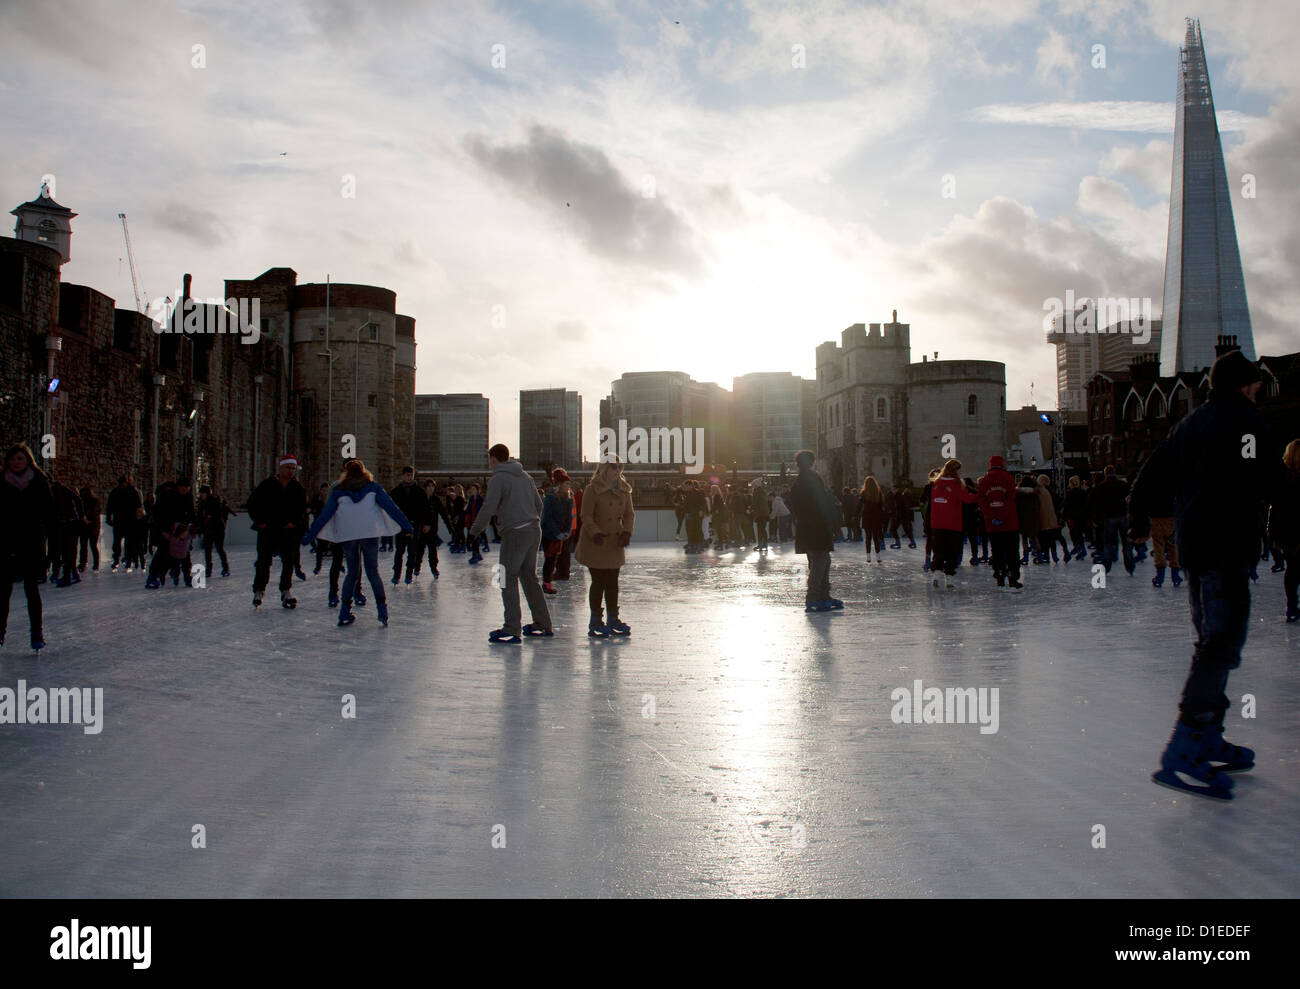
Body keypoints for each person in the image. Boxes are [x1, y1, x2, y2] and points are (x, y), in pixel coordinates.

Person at [1132, 350, 1284, 799]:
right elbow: (1271, 480)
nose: (1259, 389)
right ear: (1244, 384)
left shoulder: (1191, 423)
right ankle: (1186, 748)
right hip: (1227, 545)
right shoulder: (1245, 421)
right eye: (1255, 382)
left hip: (1196, 548)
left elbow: (1151, 472)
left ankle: (1208, 736)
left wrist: (1140, 519)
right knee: (1220, 645)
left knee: (1211, 642)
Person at [303, 458, 412, 627]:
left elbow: (325, 514)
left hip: (349, 535)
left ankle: (344, 612)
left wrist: (311, 535)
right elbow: (391, 508)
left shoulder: (339, 490)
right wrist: (407, 526)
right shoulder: (373, 487)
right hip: (369, 533)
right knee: (372, 572)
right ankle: (382, 610)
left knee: (352, 573)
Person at [466, 444, 552, 643]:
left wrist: (474, 531)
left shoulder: (498, 477)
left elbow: (489, 507)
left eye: (490, 460)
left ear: (494, 459)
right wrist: (530, 520)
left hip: (515, 532)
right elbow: (539, 504)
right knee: (529, 577)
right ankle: (543, 623)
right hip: (533, 530)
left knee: (506, 577)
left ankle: (512, 627)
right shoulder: (526, 476)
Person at [0, 444, 54, 651]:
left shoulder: (39, 483)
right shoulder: (1, 482)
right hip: (6, 544)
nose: (16, 462)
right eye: (13, 458)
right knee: (3, 591)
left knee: (32, 590)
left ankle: (36, 632)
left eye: (20, 458)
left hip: (31, 544)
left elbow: (50, 517)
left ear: (28, 461)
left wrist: (53, 552)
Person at [575, 459, 635, 636]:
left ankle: (613, 618)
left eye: (619, 467)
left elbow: (629, 515)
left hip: (614, 541)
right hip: (596, 541)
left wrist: (627, 532)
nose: (617, 470)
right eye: (613, 467)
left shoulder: (625, 489)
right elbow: (586, 515)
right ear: (603, 469)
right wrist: (595, 532)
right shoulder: (592, 489)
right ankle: (595, 621)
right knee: (599, 581)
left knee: (613, 582)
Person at [247, 454, 309, 609]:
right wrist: (260, 521)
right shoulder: (267, 485)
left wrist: (294, 523)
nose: (290, 471)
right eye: (288, 468)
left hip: (287, 531)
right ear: (281, 467)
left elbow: (302, 509)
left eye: (293, 468)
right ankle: (259, 589)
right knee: (263, 561)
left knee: (288, 561)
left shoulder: (297, 488)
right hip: (268, 529)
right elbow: (252, 503)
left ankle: (285, 590)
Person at [788, 449, 841, 612]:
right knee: (820, 563)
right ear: (811, 462)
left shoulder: (798, 481)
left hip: (806, 528)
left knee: (819, 561)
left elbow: (793, 504)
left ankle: (823, 596)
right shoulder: (813, 478)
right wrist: (834, 522)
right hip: (817, 527)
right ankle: (814, 598)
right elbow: (823, 502)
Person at [1129, 444, 1181, 588]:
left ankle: (1160, 575)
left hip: (1156, 518)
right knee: (1172, 546)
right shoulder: (1173, 482)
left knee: (1158, 546)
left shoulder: (1152, 482)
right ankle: (1175, 574)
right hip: (1171, 518)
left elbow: (1142, 498)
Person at [929, 460, 977, 588]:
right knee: (951, 551)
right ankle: (949, 577)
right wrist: (979, 496)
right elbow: (967, 498)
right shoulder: (956, 484)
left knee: (938, 550)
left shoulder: (936, 483)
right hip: (953, 523)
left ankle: (936, 574)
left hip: (937, 523)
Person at [1268, 439, 1300, 622]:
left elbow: (1275, 506)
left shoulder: (1282, 478)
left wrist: (1274, 533)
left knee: (1293, 569)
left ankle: (1292, 605)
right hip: (1292, 530)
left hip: (1287, 532)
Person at [978, 455, 1022, 589]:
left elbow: (982, 501)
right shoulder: (1008, 478)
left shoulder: (984, 480)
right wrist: (1003, 516)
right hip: (1010, 523)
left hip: (992, 525)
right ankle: (1013, 576)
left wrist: (991, 516)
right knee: (1012, 551)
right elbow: (1011, 499)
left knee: (997, 551)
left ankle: (999, 574)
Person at [389, 466, 432, 585]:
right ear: (402, 476)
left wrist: (427, 523)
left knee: (412, 551)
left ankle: (409, 574)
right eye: (407, 475)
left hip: (415, 524)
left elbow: (426, 509)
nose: (409, 477)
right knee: (399, 551)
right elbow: (391, 508)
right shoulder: (396, 492)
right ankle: (396, 574)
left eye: (411, 475)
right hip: (401, 526)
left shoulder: (419, 492)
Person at [541, 467, 575, 594]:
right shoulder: (550, 497)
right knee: (549, 559)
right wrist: (557, 533)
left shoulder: (569, 498)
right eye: (566, 483)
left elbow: (569, 517)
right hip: (549, 535)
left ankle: (548, 581)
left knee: (555, 559)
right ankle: (547, 583)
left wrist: (567, 531)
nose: (568, 486)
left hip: (561, 534)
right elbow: (547, 518)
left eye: (569, 484)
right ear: (559, 485)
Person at [49, 475, 83, 587]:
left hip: (69, 523)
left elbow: (77, 499)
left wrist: (80, 516)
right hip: (61, 523)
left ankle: (68, 576)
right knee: (64, 550)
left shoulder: (60, 489)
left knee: (68, 550)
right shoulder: (51, 491)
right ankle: (72, 574)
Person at [105, 475, 142, 571]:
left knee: (129, 543)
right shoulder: (115, 492)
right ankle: (116, 560)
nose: (122, 485)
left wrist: (138, 519)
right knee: (117, 542)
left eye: (124, 483)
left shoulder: (133, 492)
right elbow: (109, 506)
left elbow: (139, 506)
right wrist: (109, 518)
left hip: (130, 521)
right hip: (119, 520)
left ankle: (128, 561)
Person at [197, 485, 233, 578]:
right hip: (208, 530)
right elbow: (200, 516)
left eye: (202, 493)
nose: (201, 495)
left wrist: (209, 517)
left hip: (217, 529)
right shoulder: (202, 503)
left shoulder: (215, 501)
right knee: (208, 550)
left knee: (219, 548)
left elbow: (217, 514)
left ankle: (225, 568)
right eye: (200, 493)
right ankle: (209, 569)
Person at [1036, 475, 1069, 564]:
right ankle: (1059, 553)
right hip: (1054, 517)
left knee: (1046, 537)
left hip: (1047, 517)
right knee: (1056, 536)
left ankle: (1048, 555)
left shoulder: (1041, 492)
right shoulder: (1052, 491)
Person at [859, 476, 886, 563]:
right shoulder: (878, 492)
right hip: (876, 518)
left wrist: (855, 515)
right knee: (876, 537)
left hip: (867, 517)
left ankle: (868, 557)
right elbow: (882, 506)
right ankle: (878, 557)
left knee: (868, 537)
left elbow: (859, 505)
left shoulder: (863, 493)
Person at [1062, 475, 1089, 561]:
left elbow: (1066, 505)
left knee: (1073, 533)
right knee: (1079, 533)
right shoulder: (1083, 492)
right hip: (1082, 516)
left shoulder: (1070, 493)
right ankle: (1081, 549)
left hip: (1073, 516)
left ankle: (1078, 547)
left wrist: (1063, 516)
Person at [78, 485, 101, 573]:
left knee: (92, 546)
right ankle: (83, 563)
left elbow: (95, 512)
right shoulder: (83, 501)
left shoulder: (94, 501)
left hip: (92, 526)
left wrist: (87, 518)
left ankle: (95, 564)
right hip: (86, 526)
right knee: (84, 546)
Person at [751, 481, 770, 552]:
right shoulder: (763, 491)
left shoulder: (756, 492)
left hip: (759, 513)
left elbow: (754, 502)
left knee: (760, 529)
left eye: (753, 485)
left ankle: (760, 544)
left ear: (756, 485)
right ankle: (765, 544)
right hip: (765, 513)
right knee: (763, 529)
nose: (752, 486)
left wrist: (750, 509)